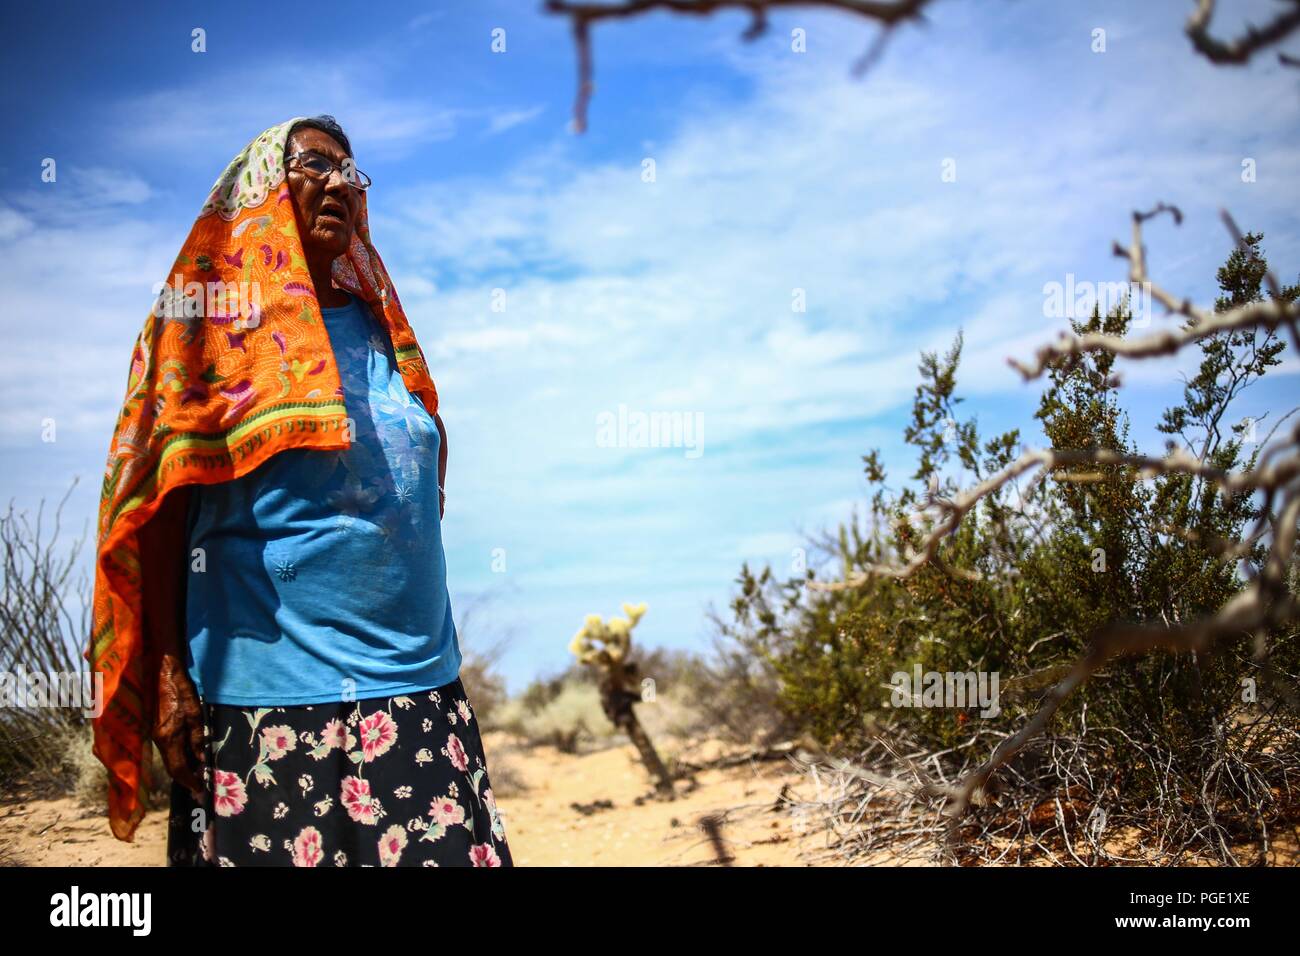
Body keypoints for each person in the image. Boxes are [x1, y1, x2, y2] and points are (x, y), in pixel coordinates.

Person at [88, 115, 512, 866]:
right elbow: (156, 505)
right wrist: (164, 672)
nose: (341, 183)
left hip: (417, 691)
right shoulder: (209, 331)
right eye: (316, 165)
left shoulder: (383, 333)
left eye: (353, 173)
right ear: (261, 188)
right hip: (269, 704)